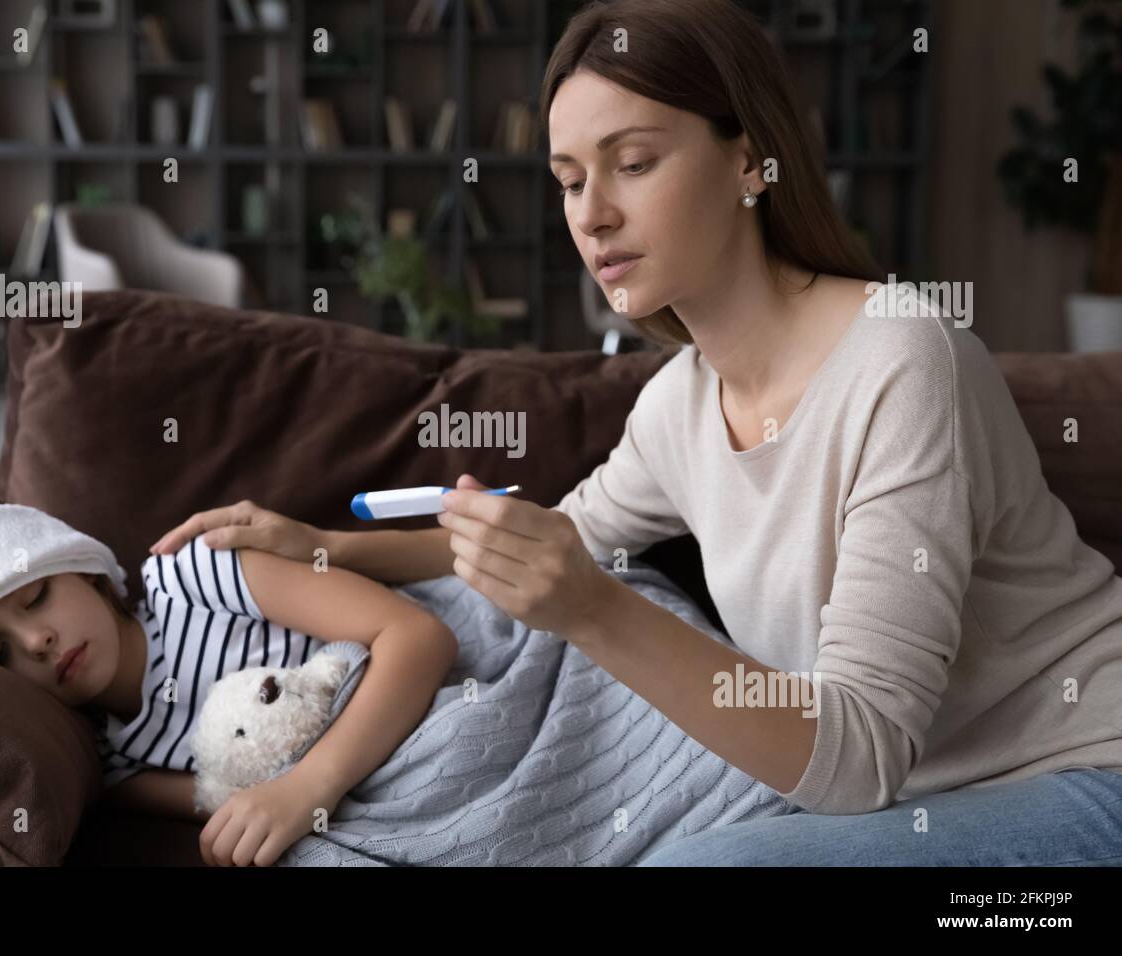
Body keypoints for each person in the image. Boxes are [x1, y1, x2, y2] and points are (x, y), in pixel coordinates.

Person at [152, 0, 1122, 865]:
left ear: (750, 160)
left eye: (633, 161)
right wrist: (322, 547)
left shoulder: (903, 363)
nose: (592, 213)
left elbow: (862, 752)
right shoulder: (679, 402)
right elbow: (547, 544)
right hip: (908, 803)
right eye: (570, 180)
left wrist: (594, 611)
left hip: (1083, 772)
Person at [0, 490, 457, 867]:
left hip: (440, 685)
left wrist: (309, 786)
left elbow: (417, 636)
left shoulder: (192, 576)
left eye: (37, 598)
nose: (36, 642)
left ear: (84, 573)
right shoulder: (116, 762)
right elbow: (238, 809)